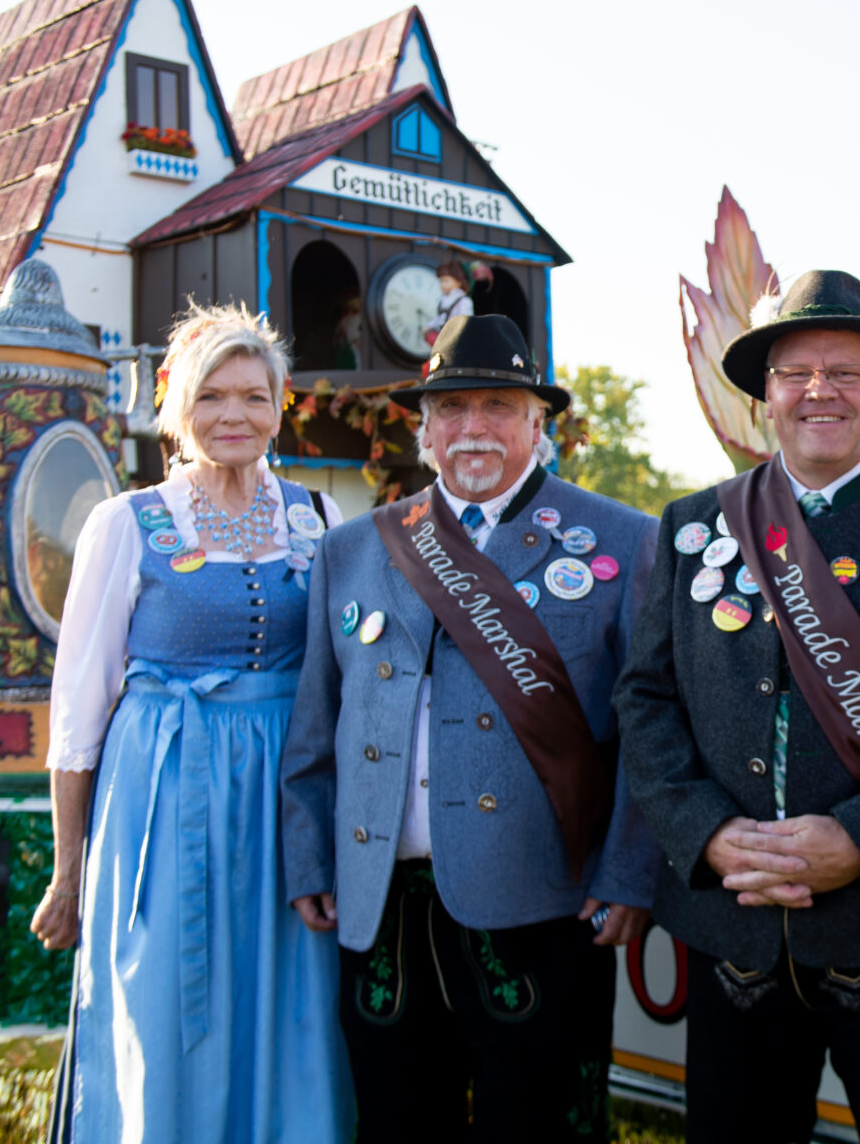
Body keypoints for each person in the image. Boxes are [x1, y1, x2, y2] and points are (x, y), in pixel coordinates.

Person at [617, 270, 860, 1144]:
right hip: (736, 927)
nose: (818, 391)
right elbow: (645, 699)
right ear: (766, 393)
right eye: (796, 371)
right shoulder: (694, 524)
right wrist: (709, 834)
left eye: (846, 371)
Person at [280, 314, 660, 1141]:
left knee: (540, 1127)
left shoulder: (624, 541)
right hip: (381, 907)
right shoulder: (353, 549)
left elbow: (650, 731)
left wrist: (630, 875)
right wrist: (309, 853)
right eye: (452, 408)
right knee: (394, 1124)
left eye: (498, 405)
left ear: (537, 422)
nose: (473, 427)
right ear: (424, 427)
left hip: (542, 904)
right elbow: (319, 723)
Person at [32, 303, 351, 1143]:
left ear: (280, 406)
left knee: (288, 998)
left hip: (283, 798)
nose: (234, 416)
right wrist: (69, 873)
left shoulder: (318, 520)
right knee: (165, 996)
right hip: (163, 798)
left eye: (253, 396)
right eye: (212, 397)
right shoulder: (127, 524)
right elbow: (78, 716)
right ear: (178, 408)